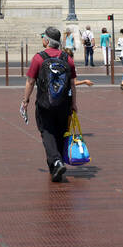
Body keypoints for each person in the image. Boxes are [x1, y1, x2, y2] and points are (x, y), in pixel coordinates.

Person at [20, 26, 77, 182]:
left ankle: (56, 161)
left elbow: (30, 81)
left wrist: (25, 100)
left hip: (45, 103)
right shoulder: (67, 58)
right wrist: (74, 104)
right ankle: (56, 167)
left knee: (47, 132)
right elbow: (72, 84)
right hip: (64, 103)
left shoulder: (39, 58)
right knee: (60, 132)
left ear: (47, 41)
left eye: (43, 37)